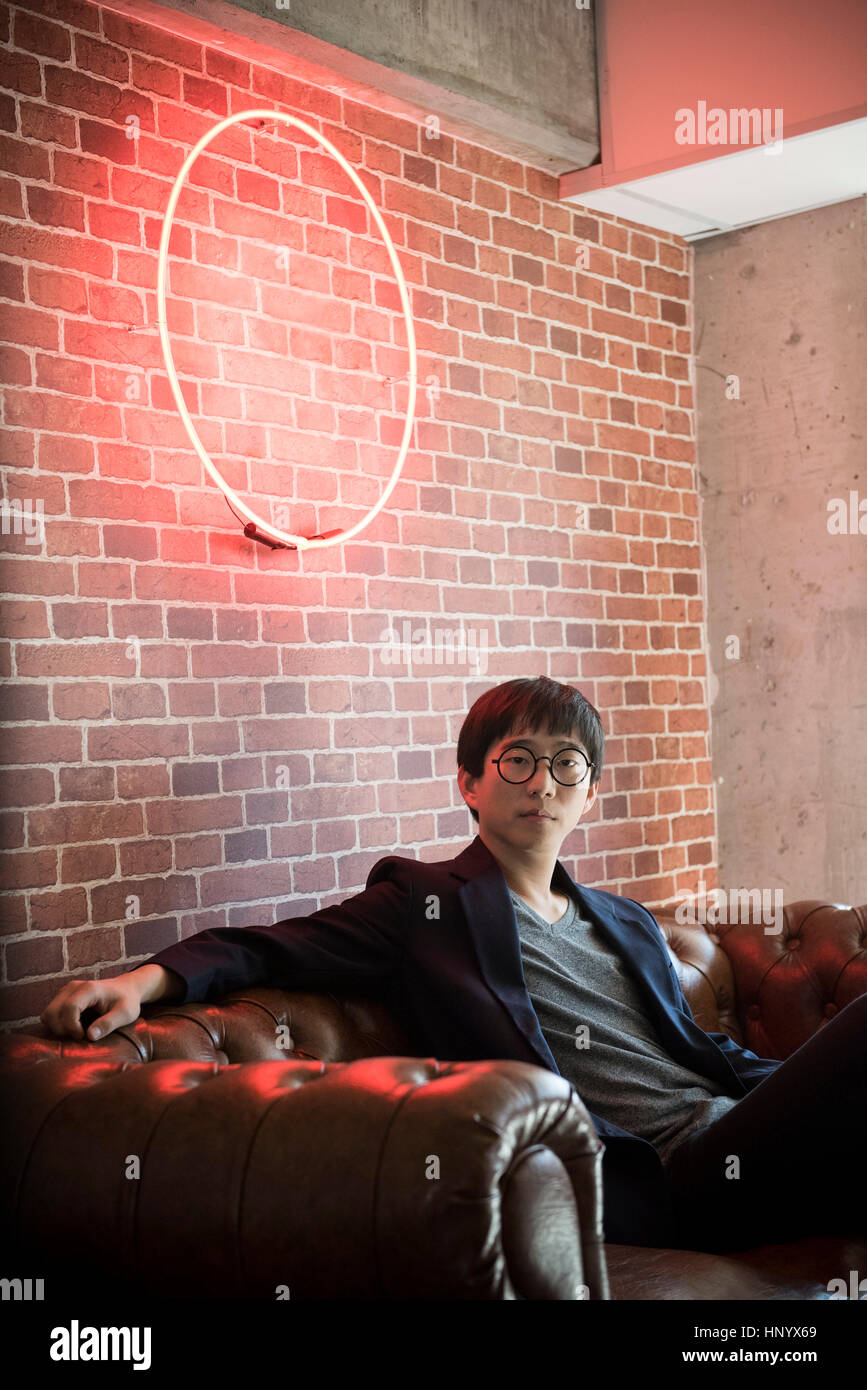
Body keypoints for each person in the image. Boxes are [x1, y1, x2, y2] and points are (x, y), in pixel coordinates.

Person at [40, 676, 865, 1251]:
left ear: (587, 792)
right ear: (469, 782)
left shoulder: (624, 921)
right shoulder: (425, 904)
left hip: (743, 1134)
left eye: (566, 765)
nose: (542, 781)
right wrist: (139, 983)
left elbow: (701, 1052)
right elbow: (265, 945)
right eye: (517, 759)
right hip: (658, 1179)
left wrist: (788, 1086)